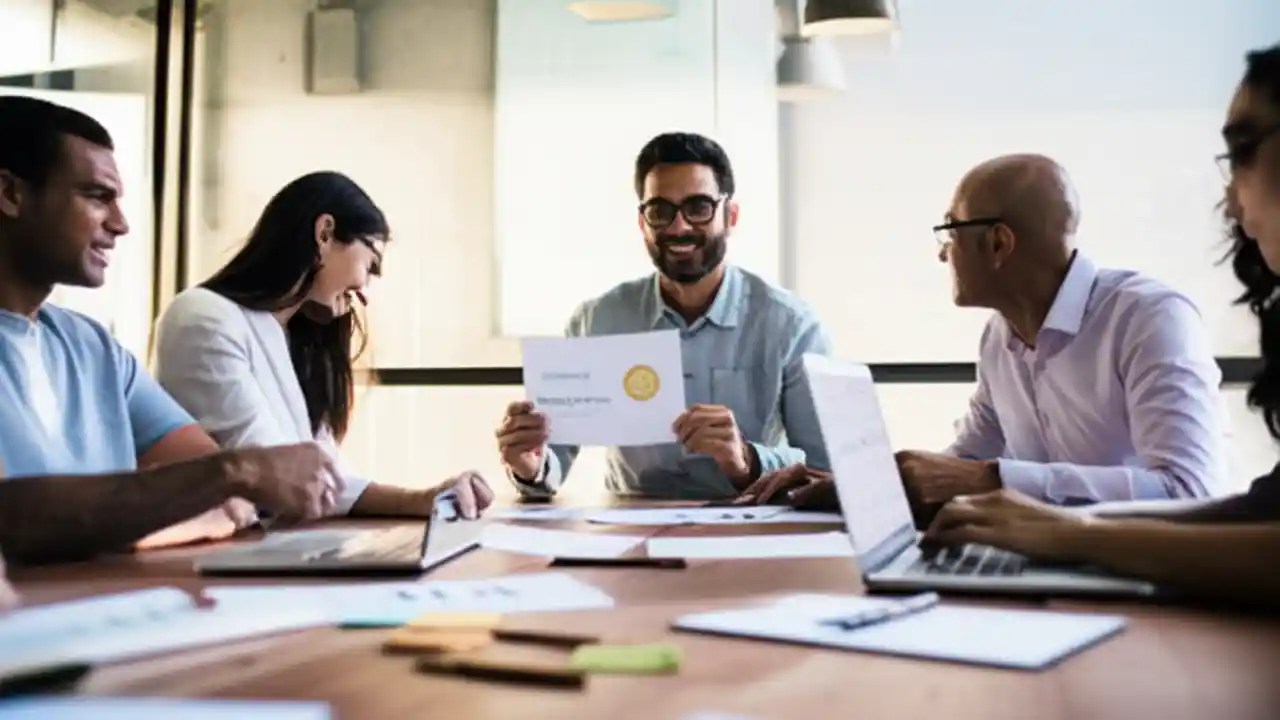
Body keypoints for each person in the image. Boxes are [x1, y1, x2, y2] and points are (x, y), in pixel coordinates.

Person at [740, 154, 1227, 524]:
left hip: (1146, 576)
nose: (943, 254)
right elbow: (963, 462)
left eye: (950, 232)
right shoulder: (1000, 337)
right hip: (1050, 562)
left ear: (998, 243)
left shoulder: (1150, 318)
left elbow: (1189, 491)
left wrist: (995, 479)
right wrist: (853, 484)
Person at [0, 96, 341, 564]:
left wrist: (131, 521)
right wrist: (230, 475)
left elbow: (226, 496)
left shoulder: (95, 350)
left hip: (101, 609)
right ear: (10, 194)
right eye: (98, 196)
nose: (120, 224)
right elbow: (12, 521)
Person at [495, 132, 831, 500]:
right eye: (660, 211)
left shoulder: (791, 325)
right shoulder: (596, 321)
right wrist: (530, 466)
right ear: (643, 223)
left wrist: (747, 460)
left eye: (699, 207)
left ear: (730, 216)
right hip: (627, 528)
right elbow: (550, 463)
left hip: (749, 525)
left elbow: (823, 470)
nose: (678, 227)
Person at [154, 172, 493, 523]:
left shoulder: (291, 339)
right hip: (214, 556)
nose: (363, 291)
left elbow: (326, 472)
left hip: (270, 545)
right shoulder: (204, 317)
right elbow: (279, 471)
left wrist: (431, 499)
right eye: (370, 264)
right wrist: (419, 501)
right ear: (325, 234)